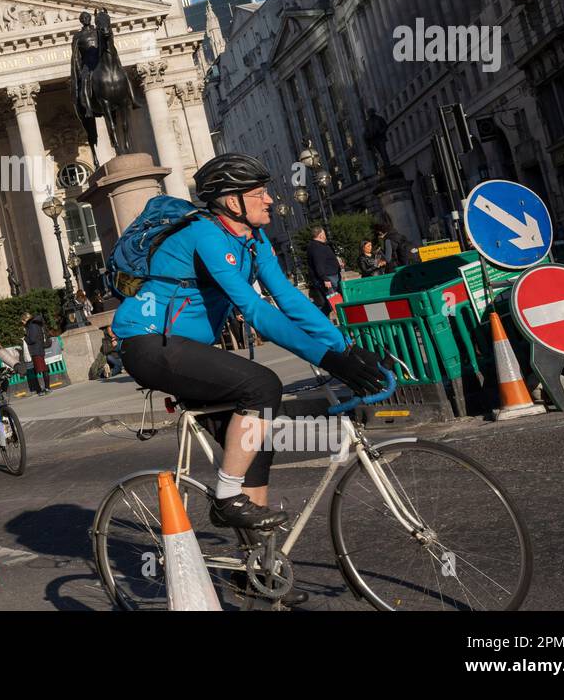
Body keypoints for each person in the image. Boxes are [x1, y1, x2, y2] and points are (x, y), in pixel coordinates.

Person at [112, 153, 390, 543]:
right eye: (259, 193)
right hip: (148, 343)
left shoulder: (255, 240)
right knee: (262, 386)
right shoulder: (206, 234)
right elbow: (256, 311)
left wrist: (345, 348)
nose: (270, 200)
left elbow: (287, 298)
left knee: (256, 444)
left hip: (189, 348)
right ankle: (227, 498)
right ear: (231, 202)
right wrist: (328, 360)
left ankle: (257, 570)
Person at [305, 226, 341, 316]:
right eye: (324, 234)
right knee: (334, 302)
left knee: (329, 303)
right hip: (328, 278)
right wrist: (325, 278)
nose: (325, 236)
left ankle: (321, 320)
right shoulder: (317, 247)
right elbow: (319, 264)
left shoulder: (316, 246)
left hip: (329, 276)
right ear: (320, 235)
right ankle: (319, 320)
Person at [20, 311, 51, 396]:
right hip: (38, 349)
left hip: (36, 350)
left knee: (42, 369)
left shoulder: (32, 325)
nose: (22, 323)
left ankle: (46, 388)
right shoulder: (34, 324)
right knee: (41, 369)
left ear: (25, 319)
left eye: (22, 321)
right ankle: (45, 388)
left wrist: (25, 338)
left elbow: (32, 339)